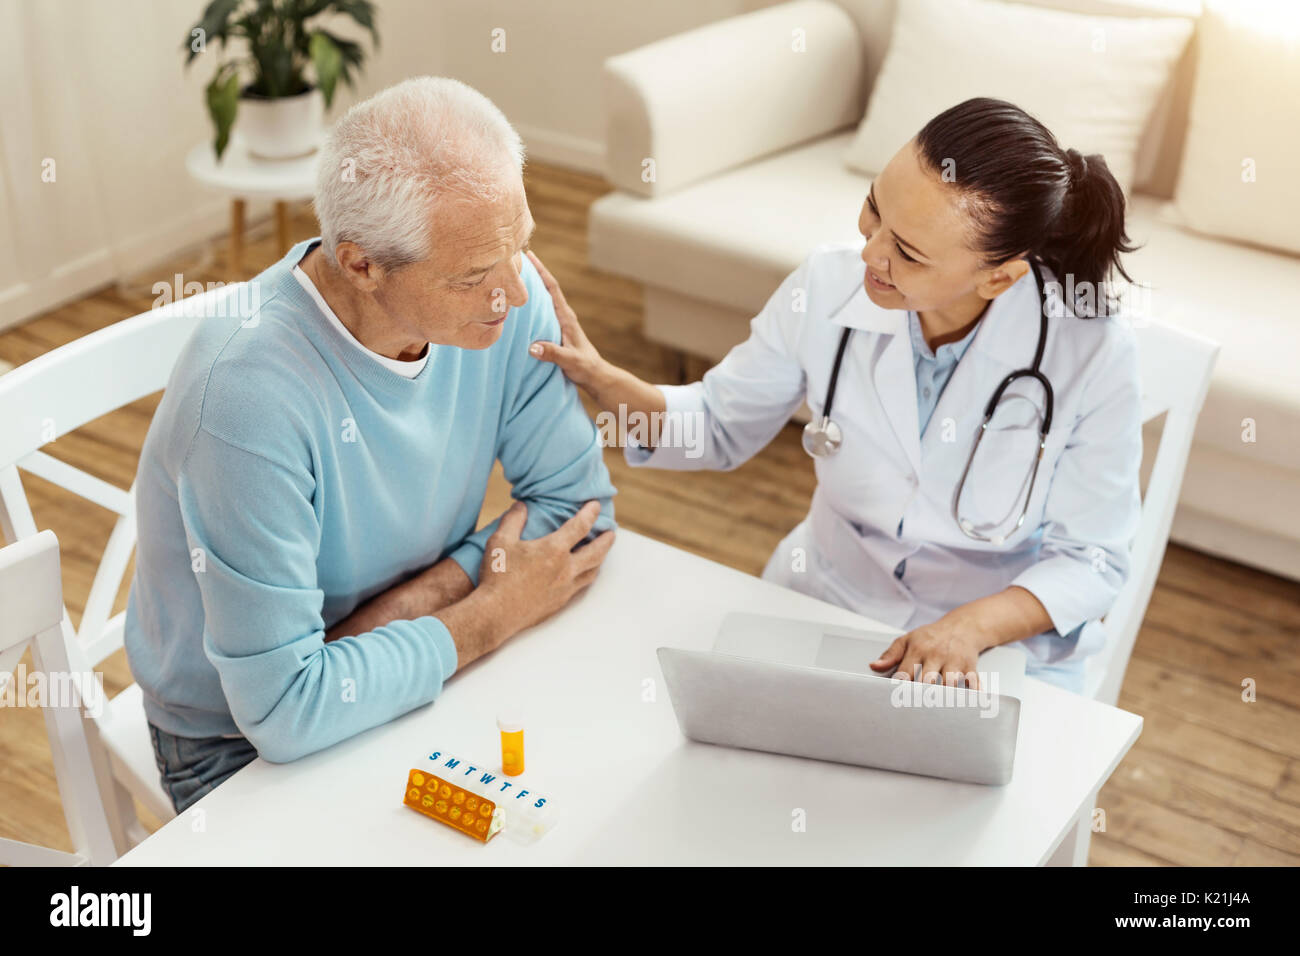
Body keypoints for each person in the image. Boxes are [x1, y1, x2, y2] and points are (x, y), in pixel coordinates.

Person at [528, 97, 1143, 694]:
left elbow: (1092, 559)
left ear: (999, 275)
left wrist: (970, 628)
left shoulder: (1088, 350)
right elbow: (717, 425)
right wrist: (609, 383)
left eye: (908, 252)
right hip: (827, 598)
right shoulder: (826, 285)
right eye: (874, 210)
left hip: (1001, 645)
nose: (870, 253)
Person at [125, 77, 616, 813]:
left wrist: (393, 621)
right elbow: (285, 714)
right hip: (236, 745)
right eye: (475, 276)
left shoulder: (505, 296)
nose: (514, 295)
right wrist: (489, 611)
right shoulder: (244, 398)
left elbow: (580, 511)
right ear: (359, 264)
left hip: (401, 668)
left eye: (520, 246)